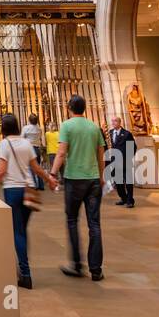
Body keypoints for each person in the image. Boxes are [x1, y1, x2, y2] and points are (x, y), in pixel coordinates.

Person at [0, 113, 57, 290]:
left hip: (13, 190)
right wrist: (49, 179)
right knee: (22, 229)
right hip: (29, 189)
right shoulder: (27, 143)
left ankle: (25, 273)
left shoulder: (5, 144)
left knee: (18, 231)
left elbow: (2, 168)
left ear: (4, 129)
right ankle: (23, 262)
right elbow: (36, 168)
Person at [50, 95, 106, 281]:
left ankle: (76, 264)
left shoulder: (67, 126)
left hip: (74, 179)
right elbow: (100, 154)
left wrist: (52, 174)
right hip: (93, 180)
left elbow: (61, 152)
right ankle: (96, 269)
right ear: (84, 108)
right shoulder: (94, 127)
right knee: (95, 224)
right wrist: (101, 176)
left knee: (72, 220)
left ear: (69, 108)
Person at [107, 115, 137, 207]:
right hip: (115, 161)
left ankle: (130, 201)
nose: (113, 123)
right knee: (118, 182)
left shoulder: (127, 134)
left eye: (115, 121)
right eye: (112, 121)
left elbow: (133, 147)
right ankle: (123, 198)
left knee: (127, 182)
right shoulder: (111, 132)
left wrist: (128, 158)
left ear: (120, 122)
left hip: (125, 161)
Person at [21, 113, 45, 190]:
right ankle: (41, 185)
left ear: (29, 120)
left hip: (29, 149)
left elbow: (21, 138)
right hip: (37, 149)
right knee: (38, 167)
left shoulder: (26, 128)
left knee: (30, 167)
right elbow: (40, 137)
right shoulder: (39, 128)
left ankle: (34, 184)